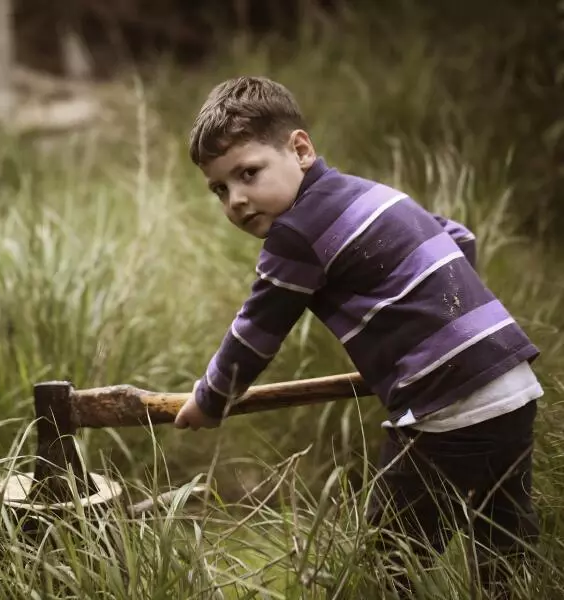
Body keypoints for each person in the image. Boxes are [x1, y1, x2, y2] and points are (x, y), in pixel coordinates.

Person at [173, 76, 543, 598]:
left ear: (299, 149)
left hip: (449, 409)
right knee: (503, 546)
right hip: (511, 383)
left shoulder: (295, 232)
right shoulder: (373, 194)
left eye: (248, 173)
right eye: (220, 188)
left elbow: (256, 331)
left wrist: (210, 400)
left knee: (391, 562)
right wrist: (447, 327)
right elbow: (459, 236)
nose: (235, 200)